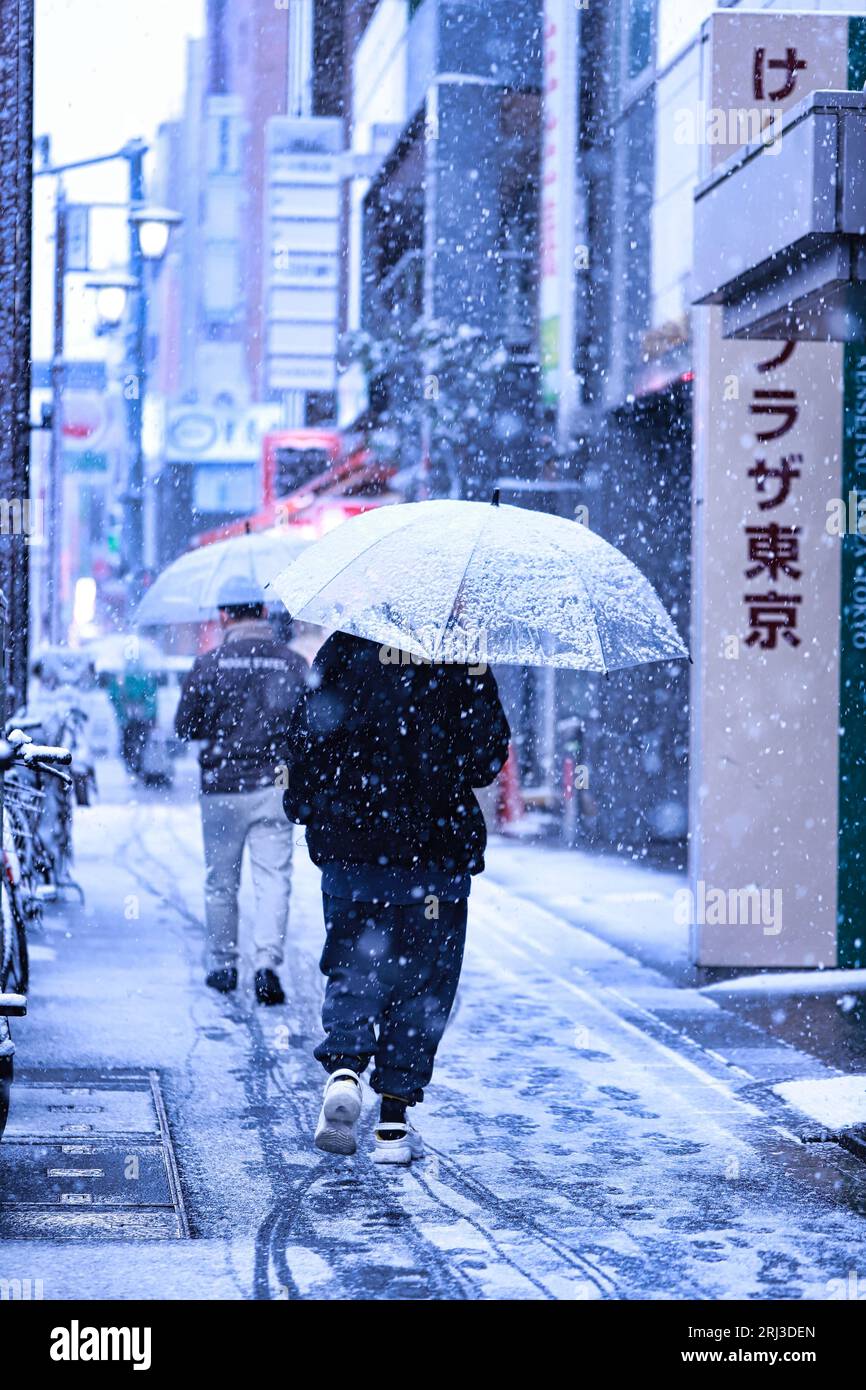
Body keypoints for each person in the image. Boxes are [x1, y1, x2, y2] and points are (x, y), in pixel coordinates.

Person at [284, 632, 510, 1164]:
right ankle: (392, 1121)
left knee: (354, 966)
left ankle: (344, 1068)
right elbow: (485, 759)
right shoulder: (462, 655)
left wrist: (307, 804)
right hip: (436, 855)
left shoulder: (345, 647)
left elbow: (305, 736)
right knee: (423, 985)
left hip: (353, 851)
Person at [175, 576, 307, 1004]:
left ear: (223, 616)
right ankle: (267, 964)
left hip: (222, 789)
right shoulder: (291, 663)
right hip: (276, 786)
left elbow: (185, 727)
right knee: (274, 880)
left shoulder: (208, 664)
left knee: (220, 881)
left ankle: (223, 965)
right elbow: (310, 727)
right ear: (264, 613)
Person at [107, 659, 159, 776]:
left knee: (129, 743)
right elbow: (151, 699)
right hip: (141, 719)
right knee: (141, 743)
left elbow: (113, 696)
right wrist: (150, 715)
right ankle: (138, 767)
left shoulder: (122, 679)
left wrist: (122, 710)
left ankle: (132, 767)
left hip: (128, 720)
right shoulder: (145, 679)